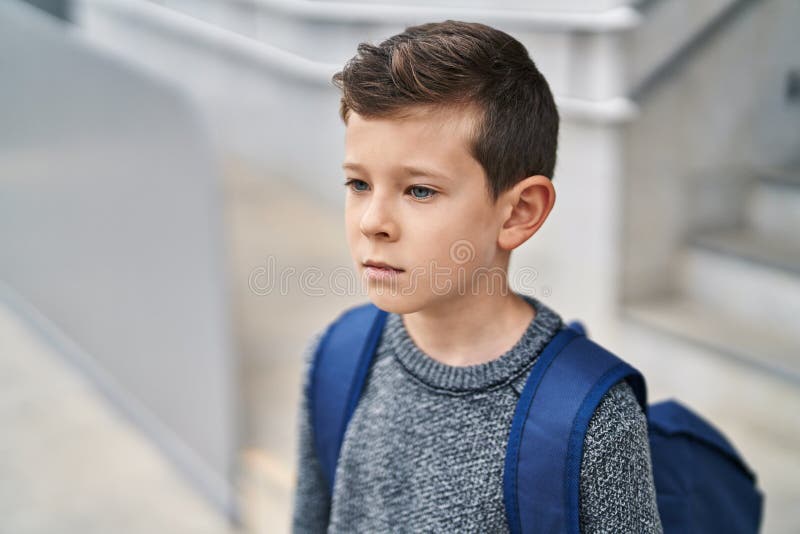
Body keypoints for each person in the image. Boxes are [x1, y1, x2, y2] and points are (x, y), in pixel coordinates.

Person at [291, 20, 663, 533]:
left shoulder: (590, 422)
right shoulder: (337, 358)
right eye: (358, 182)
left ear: (518, 213)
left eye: (419, 190)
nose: (372, 221)